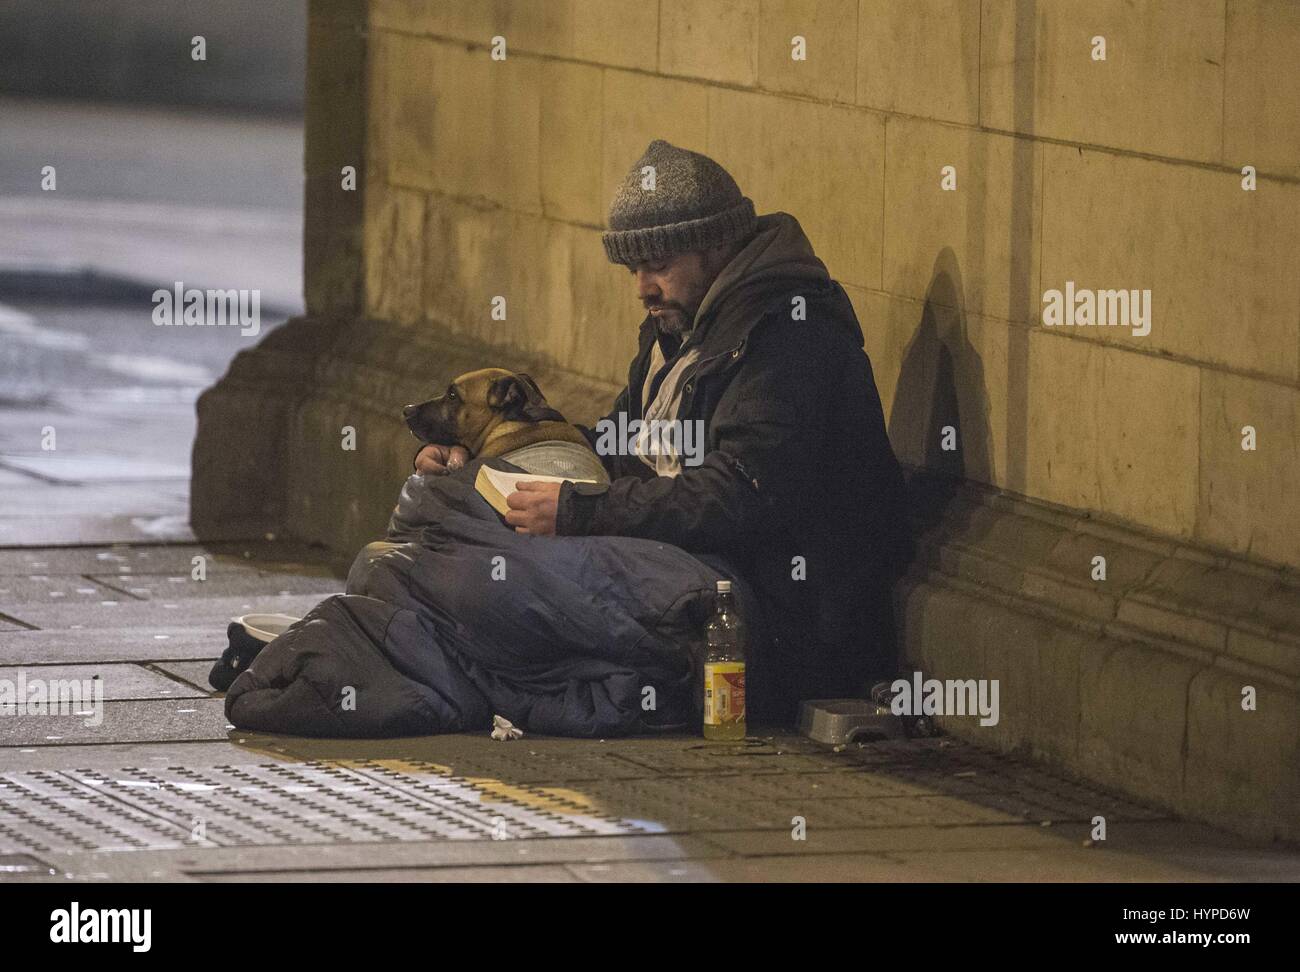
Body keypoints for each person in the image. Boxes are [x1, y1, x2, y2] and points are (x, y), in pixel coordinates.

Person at [416, 140, 909, 725]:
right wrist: (491, 454)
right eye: (634, 269)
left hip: (768, 615)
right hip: (679, 563)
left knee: (475, 578)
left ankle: (466, 677)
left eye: (659, 265)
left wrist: (581, 513)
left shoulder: (789, 337)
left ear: (717, 247)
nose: (643, 288)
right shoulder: (676, 333)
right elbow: (620, 449)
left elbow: (737, 494)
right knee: (441, 502)